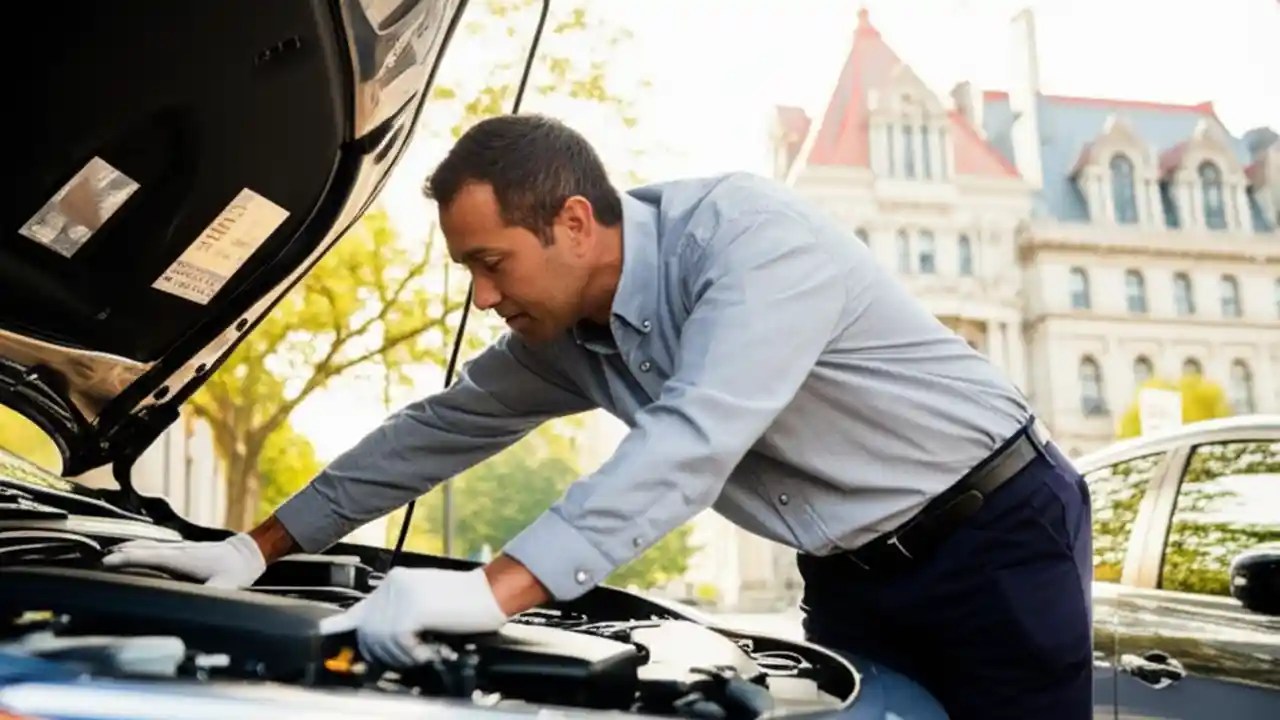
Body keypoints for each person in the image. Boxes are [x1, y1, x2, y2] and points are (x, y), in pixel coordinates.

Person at [104, 114, 1093, 719]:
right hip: (848, 576)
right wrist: (254, 549)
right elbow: (430, 431)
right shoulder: (565, 335)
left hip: (992, 539)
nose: (483, 298)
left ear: (573, 221)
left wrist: (491, 593)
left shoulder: (749, 240)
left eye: (493, 264)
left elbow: (692, 441)